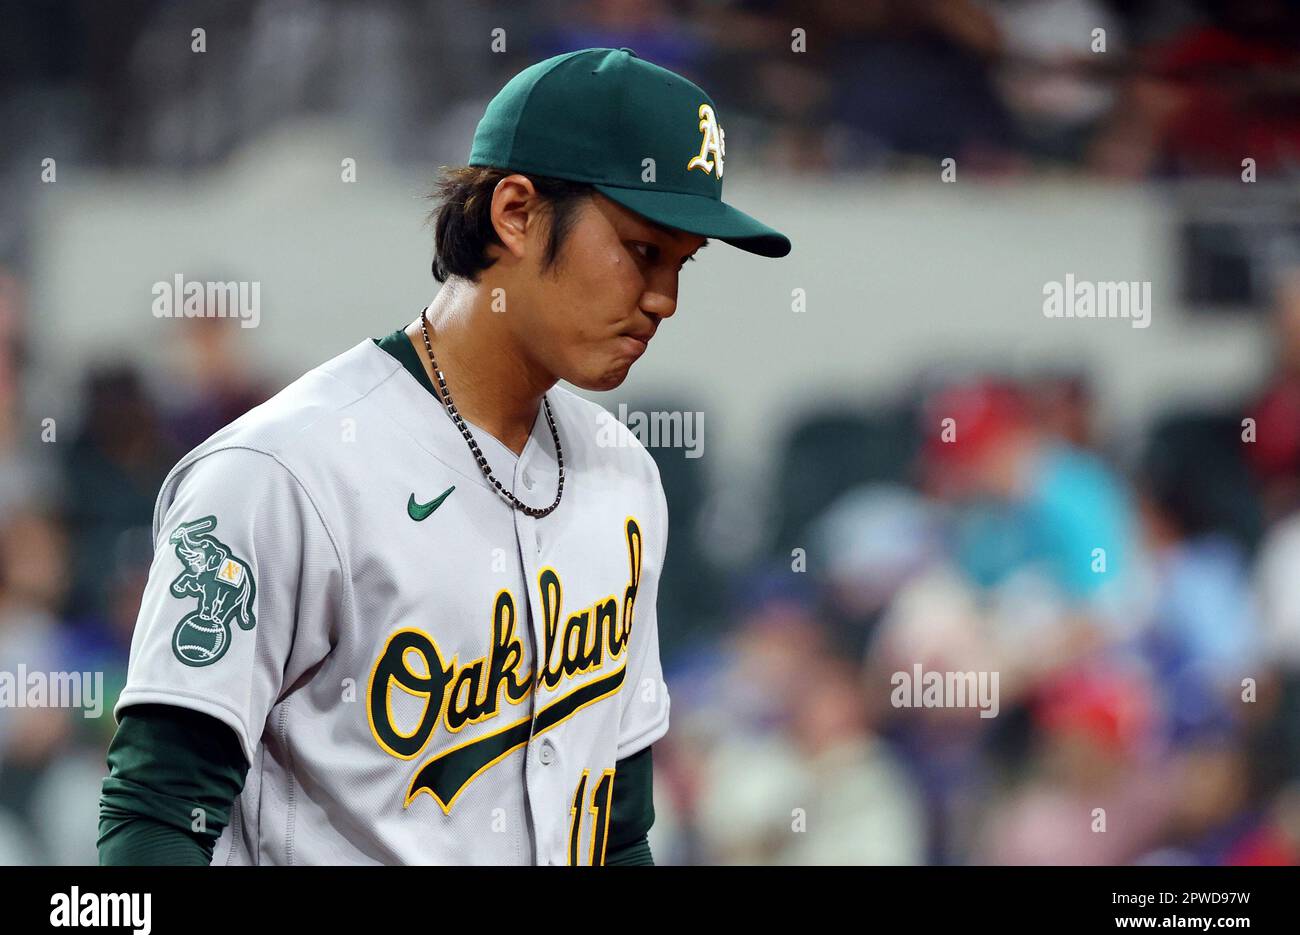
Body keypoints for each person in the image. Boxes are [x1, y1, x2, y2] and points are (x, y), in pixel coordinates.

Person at [96, 47, 790, 865]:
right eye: (643, 250)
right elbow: (154, 819)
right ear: (517, 213)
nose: (665, 300)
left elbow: (617, 831)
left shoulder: (627, 476)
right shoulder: (280, 473)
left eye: (682, 264)